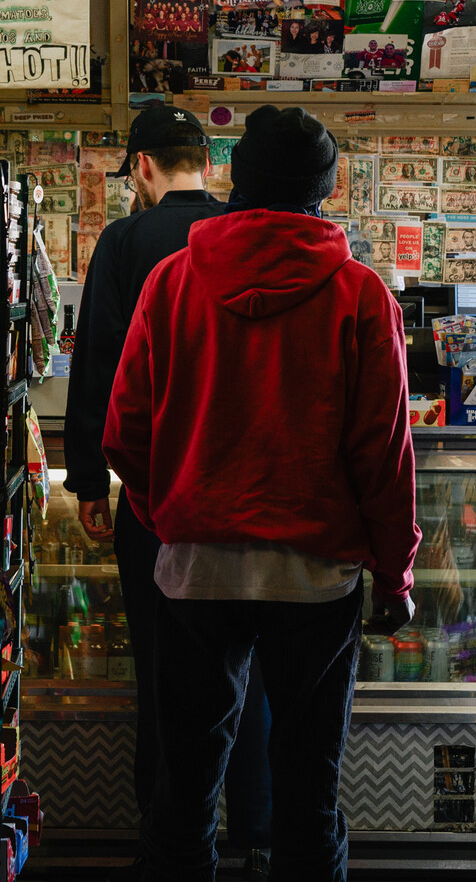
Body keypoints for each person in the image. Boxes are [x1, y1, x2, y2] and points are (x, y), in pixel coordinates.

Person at [104, 105, 419, 882]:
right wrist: (394, 573)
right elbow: (383, 453)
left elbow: (125, 429)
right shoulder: (359, 294)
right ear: (325, 189)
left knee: (184, 800)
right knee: (307, 799)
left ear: (237, 181)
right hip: (316, 580)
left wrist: (174, 514)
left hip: (194, 573)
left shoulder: (170, 281)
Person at [63, 107, 275, 882]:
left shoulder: (123, 242)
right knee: (246, 667)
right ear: (207, 162)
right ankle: (260, 827)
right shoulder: (245, 231)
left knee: (164, 671)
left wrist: (90, 478)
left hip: (158, 499)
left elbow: (100, 369)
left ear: (143, 167)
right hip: (246, 494)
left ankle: (167, 829)